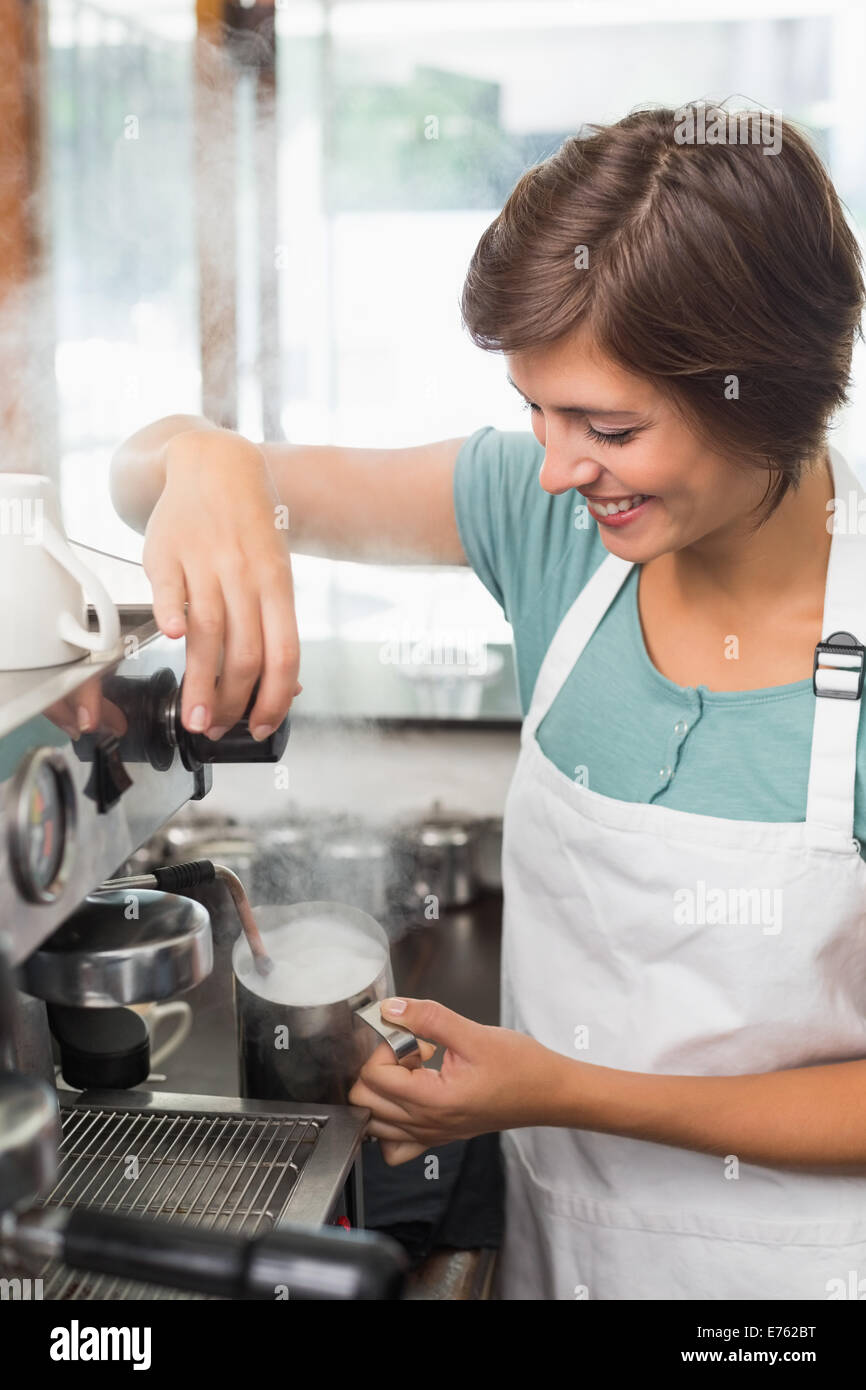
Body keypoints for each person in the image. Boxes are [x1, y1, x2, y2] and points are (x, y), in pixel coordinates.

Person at [111, 102, 866, 1300]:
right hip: (560, 1248)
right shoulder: (553, 517)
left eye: (606, 426)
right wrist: (209, 464)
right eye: (535, 409)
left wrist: (557, 1088)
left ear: (761, 394)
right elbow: (135, 471)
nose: (557, 464)